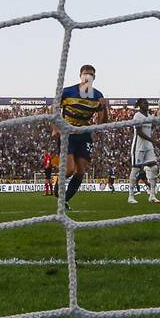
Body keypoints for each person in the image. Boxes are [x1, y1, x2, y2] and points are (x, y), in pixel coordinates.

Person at [52, 64, 109, 210]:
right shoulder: (68, 91)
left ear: (94, 78)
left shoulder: (97, 96)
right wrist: (55, 128)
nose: (87, 76)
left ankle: (63, 201)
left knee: (80, 171)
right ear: (80, 75)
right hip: (67, 133)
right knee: (69, 170)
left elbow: (102, 123)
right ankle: (58, 184)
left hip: (84, 134)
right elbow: (54, 109)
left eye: (90, 74)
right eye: (85, 73)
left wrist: (104, 108)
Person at [129, 97, 157, 205]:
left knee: (154, 168)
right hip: (139, 146)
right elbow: (139, 132)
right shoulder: (137, 116)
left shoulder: (150, 116)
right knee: (135, 170)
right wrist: (153, 140)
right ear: (140, 105)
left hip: (148, 146)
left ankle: (152, 195)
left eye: (147, 103)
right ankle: (131, 195)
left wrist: (155, 122)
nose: (147, 105)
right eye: (145, 103)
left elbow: (150, 128)